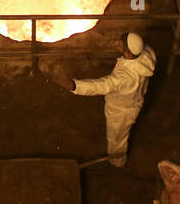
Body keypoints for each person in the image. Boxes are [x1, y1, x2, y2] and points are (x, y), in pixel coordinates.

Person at [56, 32, 156, 167]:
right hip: (135, 100)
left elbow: (102, 85)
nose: (116, 42)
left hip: (121, 112)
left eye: (120, 43)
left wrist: (73, 85)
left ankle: (117, 162)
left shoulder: (125, 76)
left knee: (116, 138)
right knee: (120, 135)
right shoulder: (147, 55)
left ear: (128, 53)